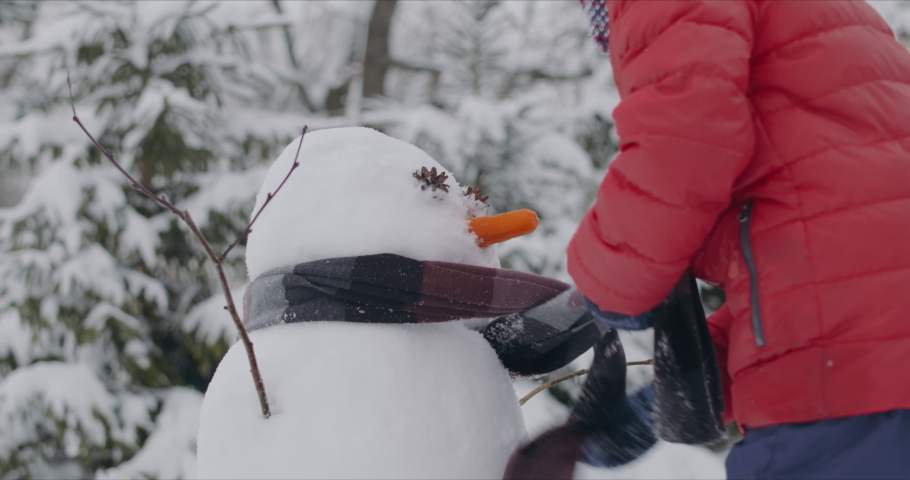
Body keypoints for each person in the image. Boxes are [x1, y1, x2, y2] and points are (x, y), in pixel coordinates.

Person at [570, 1, 910, 478]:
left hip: (841, 394)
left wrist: (606, 286)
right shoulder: (835, 20)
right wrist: (675, 393)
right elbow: (846, 246)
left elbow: (684, 137)